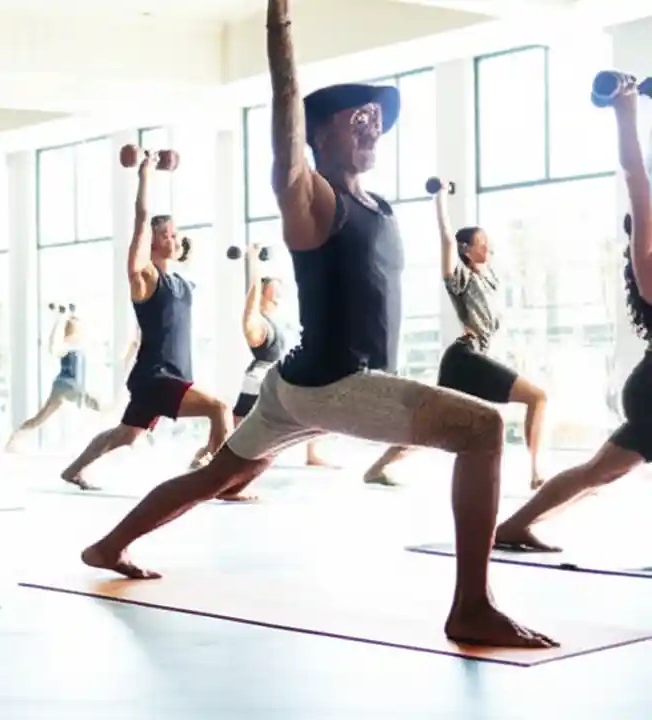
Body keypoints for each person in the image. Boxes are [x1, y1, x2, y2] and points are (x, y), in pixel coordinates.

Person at [76, 0, 555, 649]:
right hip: (332, 382)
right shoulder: (312, 198)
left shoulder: (378, 204)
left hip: (298, 382)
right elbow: (285, 99)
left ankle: (108, 546)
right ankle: (472, 604)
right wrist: (280, 22)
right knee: (484, 427)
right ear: (318, 133)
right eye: (354, 118)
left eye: (375, 120)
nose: (369, 127)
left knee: (218, 475)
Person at [494, 76, 650, 552]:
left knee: (597, 474)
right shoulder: (648, 263)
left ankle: (512, 527)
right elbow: (635, 175)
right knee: (598, 474)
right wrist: (625, 114)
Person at [58, 150, 231, 490]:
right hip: (157, 376)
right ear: (150, 242)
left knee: (126, 435)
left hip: (170, 374)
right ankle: (224, 482)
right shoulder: (145, 277)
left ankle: (74, 469)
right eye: (166, 234)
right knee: (220, 408)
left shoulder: (181, 281)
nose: (174, 238)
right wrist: (146, 174)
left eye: (175, 234)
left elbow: (187, 251)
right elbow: (142, 217)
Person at [361, 176, 549, 489]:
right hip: (465, 358)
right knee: (538, 397)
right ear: (466, 249)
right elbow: (447, 240)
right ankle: (536, 472)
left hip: (470, 360)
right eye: (481, 242)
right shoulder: (460, 279)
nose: (487, 246)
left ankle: (377, 468)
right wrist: (441, 198)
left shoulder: (489, 280)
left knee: (432, 428)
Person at [224, 246, 334, 493]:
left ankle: (312, 453)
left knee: (313, 413)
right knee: (242, 429)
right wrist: (252, 263)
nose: (280, 285)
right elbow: (250, 299)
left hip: (276, 379)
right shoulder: (257, 322)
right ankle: (217, 460)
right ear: (263, 291)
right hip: (259, 379)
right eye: (274, 283)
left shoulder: (278, 321)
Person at [6, 308, 103, 450]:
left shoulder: (79, 346)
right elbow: (53, 347)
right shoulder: (67, 345)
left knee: (41, 418)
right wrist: (60, 319)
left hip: (67, 387)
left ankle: (14, 440)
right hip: (66, 385)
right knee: (95, 404)